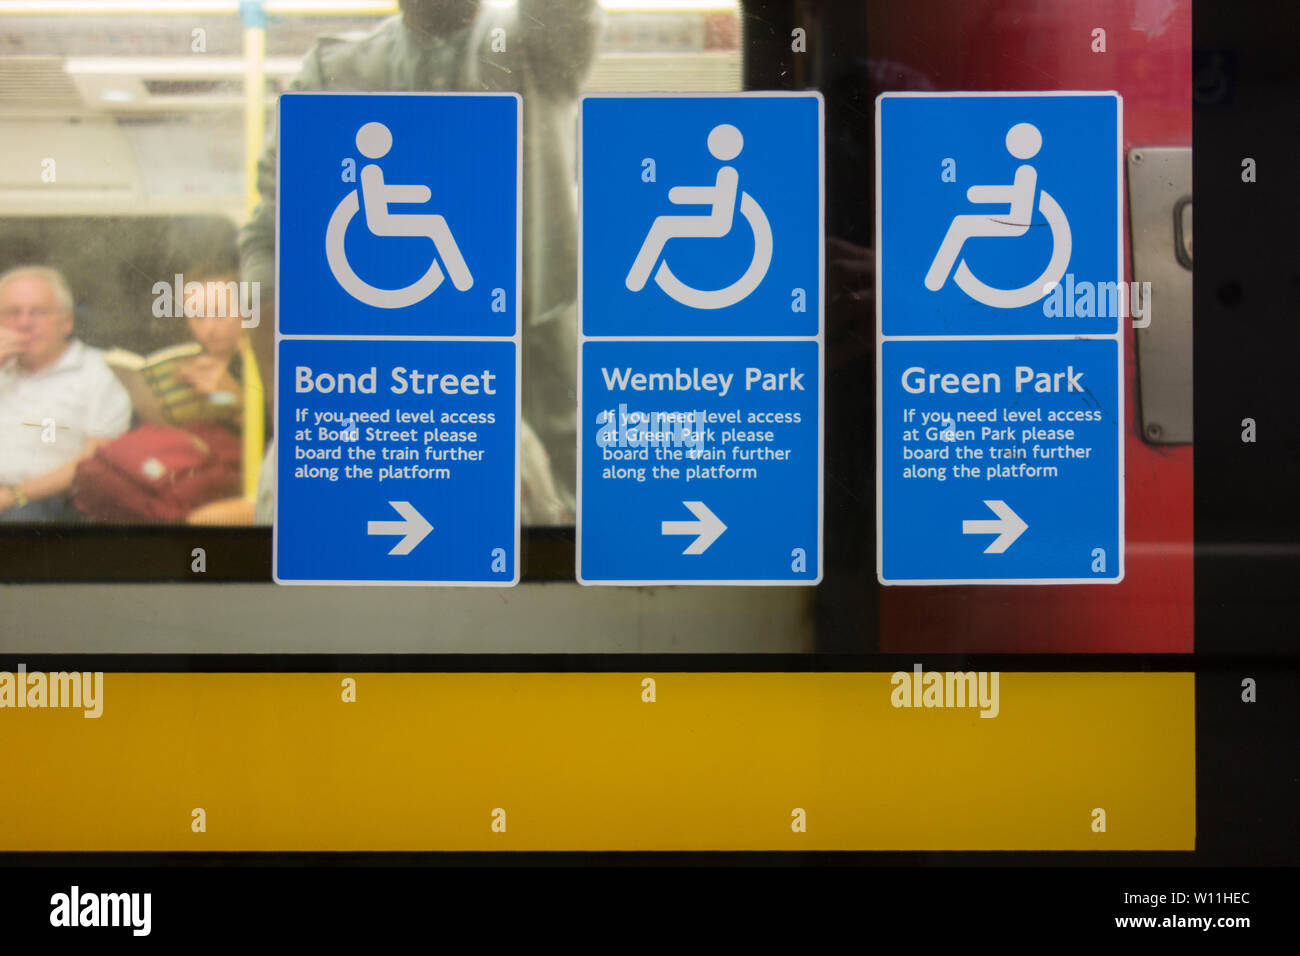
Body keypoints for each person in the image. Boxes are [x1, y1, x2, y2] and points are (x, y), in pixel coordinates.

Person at [239, 0, 601, 519]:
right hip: (368, 386)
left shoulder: (536, 43)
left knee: (537, 562)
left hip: (531, 384)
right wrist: (294, 405)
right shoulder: (332, 74)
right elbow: (269, 237)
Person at [0, 266, 131, 521]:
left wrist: (13, 495)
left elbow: (96, 458)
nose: (24, 323)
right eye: (12, 312)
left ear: (67, 322)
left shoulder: (101, 370)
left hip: (48, 500)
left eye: (38, 312)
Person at [924, 122, 1042, 292]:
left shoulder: (1027, 172)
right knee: (961, 223)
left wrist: (976, 193)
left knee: (961, 224)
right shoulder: (1024, 170)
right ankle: (936, 279)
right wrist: (976, 194)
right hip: (1012, 221)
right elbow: (1011, 195)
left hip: (1017, 224)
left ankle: (936, 279)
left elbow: (1016, 198)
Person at [627, 123, 745, 292]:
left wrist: (678, 194)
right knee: (663, 225)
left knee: (663, 225)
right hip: (715, 220)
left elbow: (718, 200)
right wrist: (678, 195)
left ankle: (636, 279)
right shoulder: (726, 171)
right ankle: (637, 279)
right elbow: (711, 196)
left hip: (718, 225)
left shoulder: (728, 173)